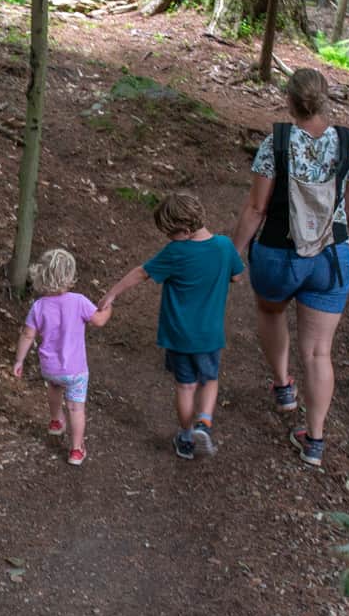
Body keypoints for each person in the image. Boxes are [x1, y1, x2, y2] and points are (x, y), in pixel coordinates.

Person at [231, 68, 349, 468]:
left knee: (270, 310)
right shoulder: (347, 145)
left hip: (278, 253)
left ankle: (282, 386)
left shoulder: (274, 143)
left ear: (288, 101)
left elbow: (257, 208)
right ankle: (315, 440)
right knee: (319, 352)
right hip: (331, 257)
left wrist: (234, 252)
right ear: (326, 100)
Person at [99, 193, 244, 460]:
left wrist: (112, 294)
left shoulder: (176, 252)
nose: (168, 239)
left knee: (185, 387)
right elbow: (237, 275)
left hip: (178, 336)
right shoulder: (224, 246)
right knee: (210, 380)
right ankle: (204, 423)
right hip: (209, 335)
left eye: (170, 233)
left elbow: (142, 272)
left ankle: (187, 438)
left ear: (186, 231)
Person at [14, 249, 112, 466]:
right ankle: (76, 450)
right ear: (70, 276)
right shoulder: (79, 301)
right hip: (76, 371)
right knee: (76, 408)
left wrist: (19, 360)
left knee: (54, 388)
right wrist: (108, 309)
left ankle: (56, 421)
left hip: (51, 369)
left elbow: (28, 334)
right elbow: (99, 321)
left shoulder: (38, 306)